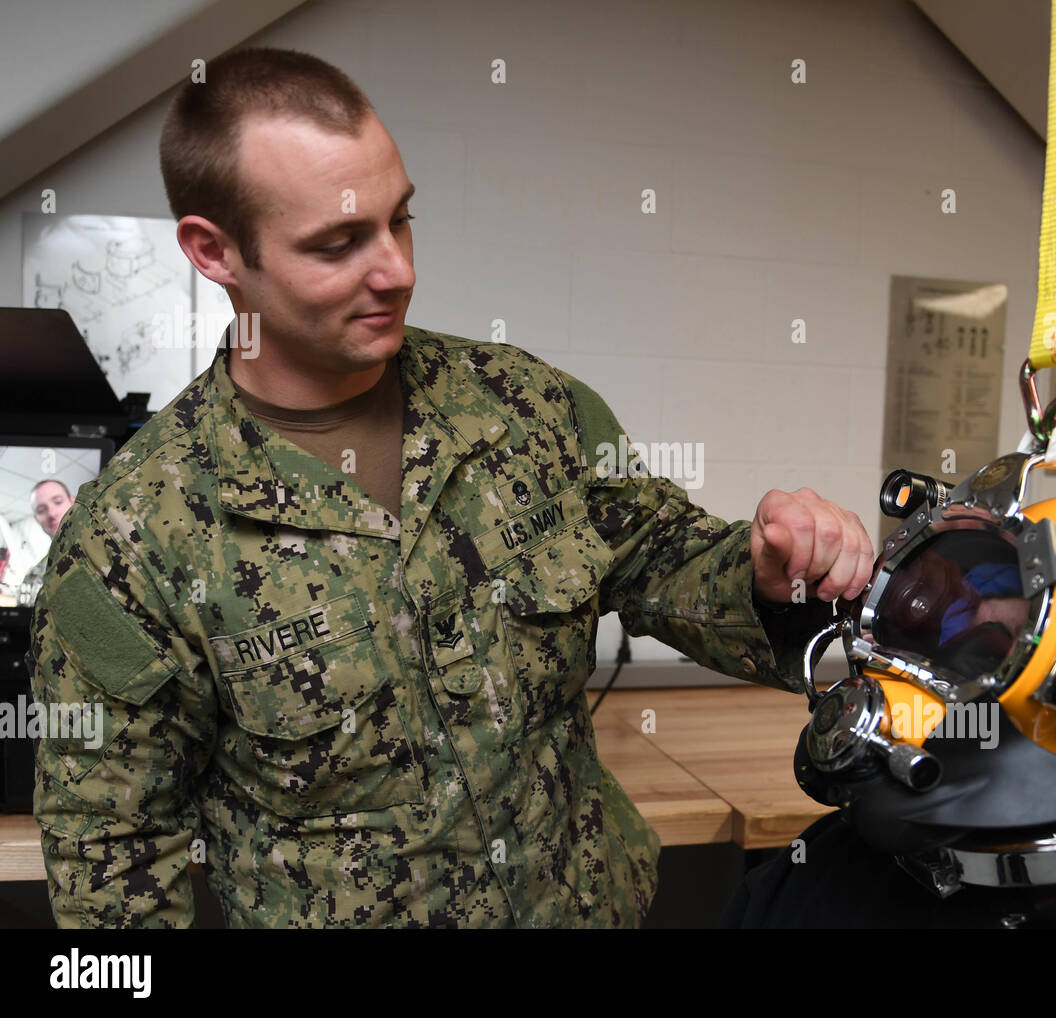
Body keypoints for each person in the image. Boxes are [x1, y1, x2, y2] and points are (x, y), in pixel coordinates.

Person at [27, 47, 875, 928]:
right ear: (215, 252)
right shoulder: (133, 540)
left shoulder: (527, 407)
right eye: (339, 243)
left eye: (401, 220)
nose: (396, 270)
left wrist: (768, 573)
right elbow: (109, 858)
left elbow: (664, 559)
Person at [17, 479, 72, 607]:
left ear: (73, 502)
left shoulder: (109, 548)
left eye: (58, 502)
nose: (52, 514)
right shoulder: (32, 578)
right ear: (37, 519)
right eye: (41, 510)